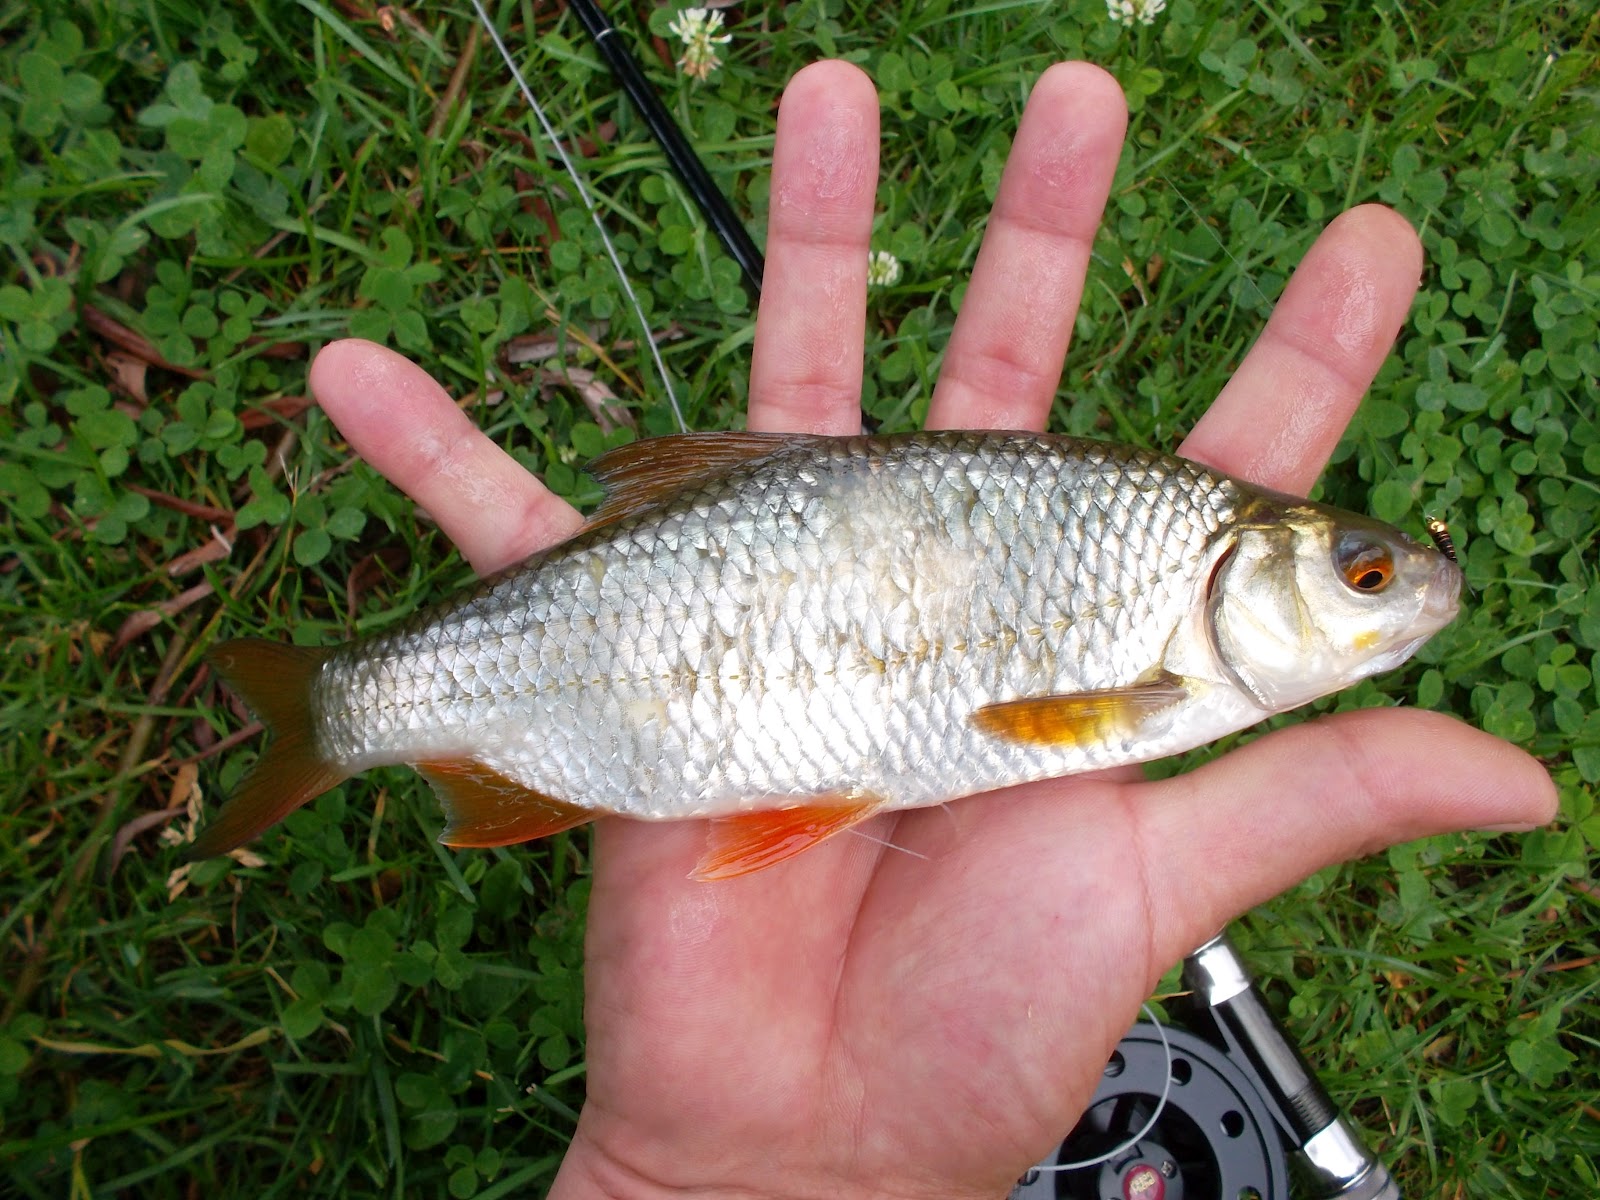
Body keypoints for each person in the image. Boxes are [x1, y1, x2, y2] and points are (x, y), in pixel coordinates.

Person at [308, 63, 1554, 1200]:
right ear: (1240, 569)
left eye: (1370, 574)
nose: (1399, 592)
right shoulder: (1168, 653)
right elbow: (1027, 726)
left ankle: (338, 715)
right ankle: (338, 713)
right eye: (1369, 574)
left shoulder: (1174, 584)